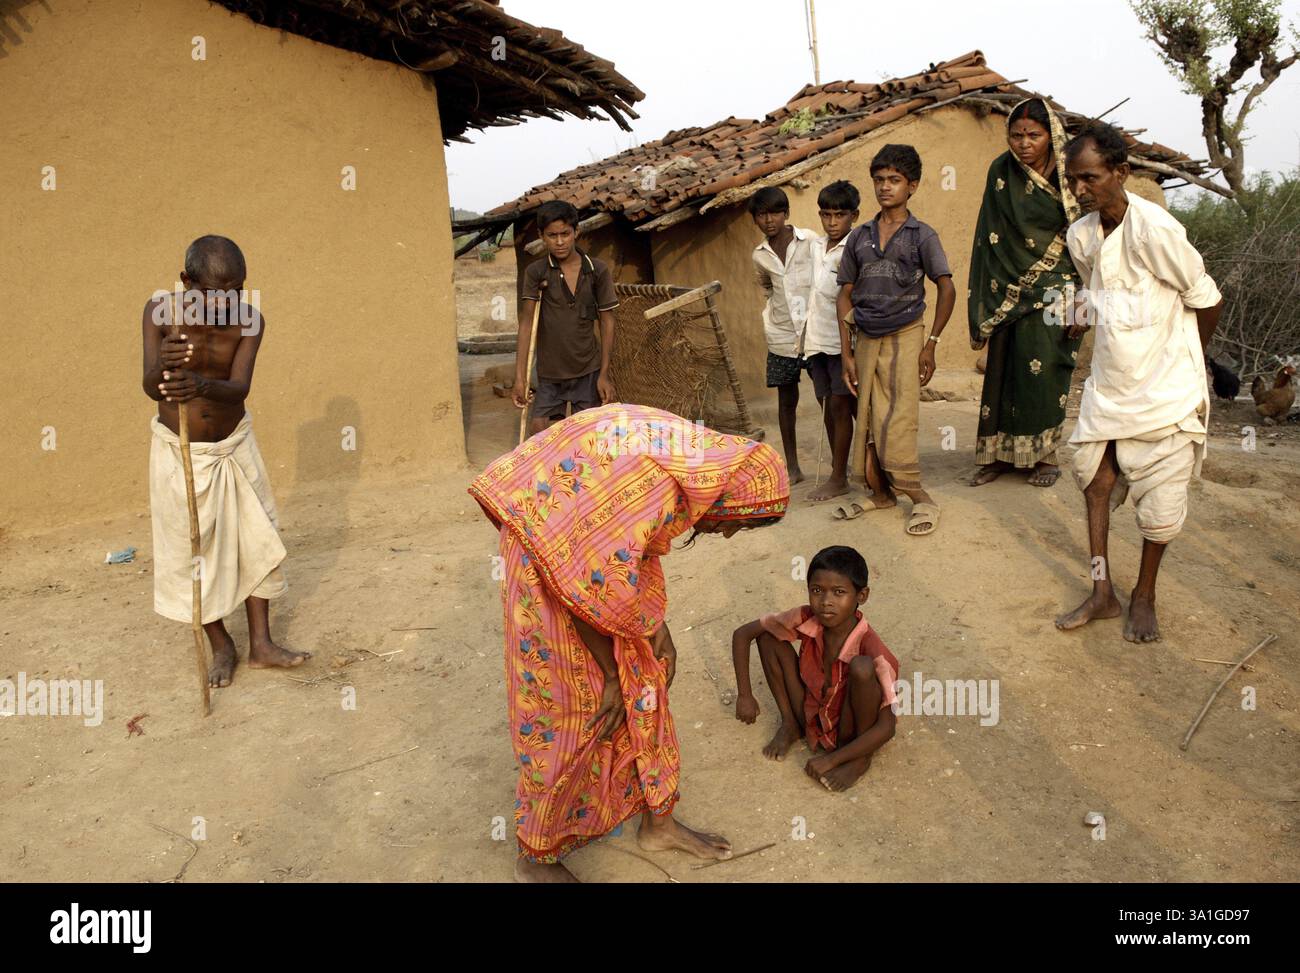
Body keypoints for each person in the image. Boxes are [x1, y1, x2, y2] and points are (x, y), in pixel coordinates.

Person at [469, 403, 789, 881]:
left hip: (578, 543)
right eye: (735, 523)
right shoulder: (659, 479)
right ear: (725, 496)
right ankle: (535, 857)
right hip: (542, 547)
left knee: (646, 677)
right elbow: (579, 583)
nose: (725, 534)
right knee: (574, 704)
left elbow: (621, 554)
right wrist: (615, 674)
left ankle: (657, 823)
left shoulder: (690, 467)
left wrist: (655, 630)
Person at [1054, 121, 1223, 643]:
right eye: (1072, 180)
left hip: (1166, 386)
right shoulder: (1081, 235)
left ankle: (1144, 593)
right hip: (1110, 381)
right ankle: (1103, 591)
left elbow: (1207, 299)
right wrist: (1084, 311)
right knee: (1095, 482)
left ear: (1121, 172)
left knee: (1161, 505)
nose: (1080, 190)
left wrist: (1192, 360)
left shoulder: (1156, 231)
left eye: (1090, 178)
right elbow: (1098, 289)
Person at [141, 235, 310, 688]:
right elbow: (149, 384)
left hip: (234, 444)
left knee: (259, 537)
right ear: (186, 282)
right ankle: (222, 645)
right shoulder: (161, 313)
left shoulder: (249, 321)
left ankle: (262, 645)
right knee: (189, 550)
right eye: (215, 292)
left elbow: (239, 388)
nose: (227, 302)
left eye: (236, 290)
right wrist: (165, 370)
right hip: (181, 453)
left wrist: (198, 383)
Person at [835, 144, 955, 535]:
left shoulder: (923, 235)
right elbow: (844, 293)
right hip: (866, 336)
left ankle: (920, 497)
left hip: (906, 333)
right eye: (879, 180)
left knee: (900, 418)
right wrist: (846, 353)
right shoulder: (859, 237)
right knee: (868, 417)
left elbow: (946, 287)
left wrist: (932, 343)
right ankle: (881, 493)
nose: (885, 187)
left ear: (912, 186)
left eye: (894, 180)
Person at [968, 97, 1084, 489]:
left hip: (1058, 287)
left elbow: (1089, 237)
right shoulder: (1000, 171)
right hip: (1007, 289)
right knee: (1002, 370)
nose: (1024, 144)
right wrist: (987, 296)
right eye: (1016, 135)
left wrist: (1084, 299)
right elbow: (989, 237)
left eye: (1033, 135)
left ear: (1049, 136)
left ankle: (1044, 456)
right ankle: (999, 455)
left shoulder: (1070, 173)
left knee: (1043, 370)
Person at [730, 545, 898, 792]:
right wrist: (744, 694)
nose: (826, 602)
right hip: (811, 715)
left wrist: (831, 760)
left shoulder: (875, 651)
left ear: (861, 596)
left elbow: (887, 727)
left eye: (839, 592)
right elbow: (742, 634)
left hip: (848, 733)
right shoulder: (807, 617)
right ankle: (791, 725)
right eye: (817, 591)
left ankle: (859, 759)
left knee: (862, 668)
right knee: (768, 637)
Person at [515, 200, 618, 436]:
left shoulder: (596, 270)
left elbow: (607, 321)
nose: (559, 241)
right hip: (550, 373)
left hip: (588, 370)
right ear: (542, 236)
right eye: (552, 235)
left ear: (576, 232)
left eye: (565, 234)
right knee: (540, 436)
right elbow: (527, 324)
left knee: (590, 439)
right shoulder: (536, 272)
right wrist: (519, 377)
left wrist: (604, 373)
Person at [750, 187, 816, 483]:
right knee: (786, 401)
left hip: (815, 333)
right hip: (781, 336)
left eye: (775, 212)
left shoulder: (811, 241)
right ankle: (793, 468)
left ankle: (845, 465)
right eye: (761, 215)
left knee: (831, 398)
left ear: (786, 213)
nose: (769, 220)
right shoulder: (759, 256)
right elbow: (767, 287)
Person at [806, 180, 861, 503]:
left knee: (844, 406)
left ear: (854, 215)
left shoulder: (856, 246)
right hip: (816, 339)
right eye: (826, 215)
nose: (832, 222)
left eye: (839, 215)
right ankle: (846, 468)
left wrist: (850, 348)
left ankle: (840, 476)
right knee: (828, 406)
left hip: (844, 341)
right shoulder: (815, 246)